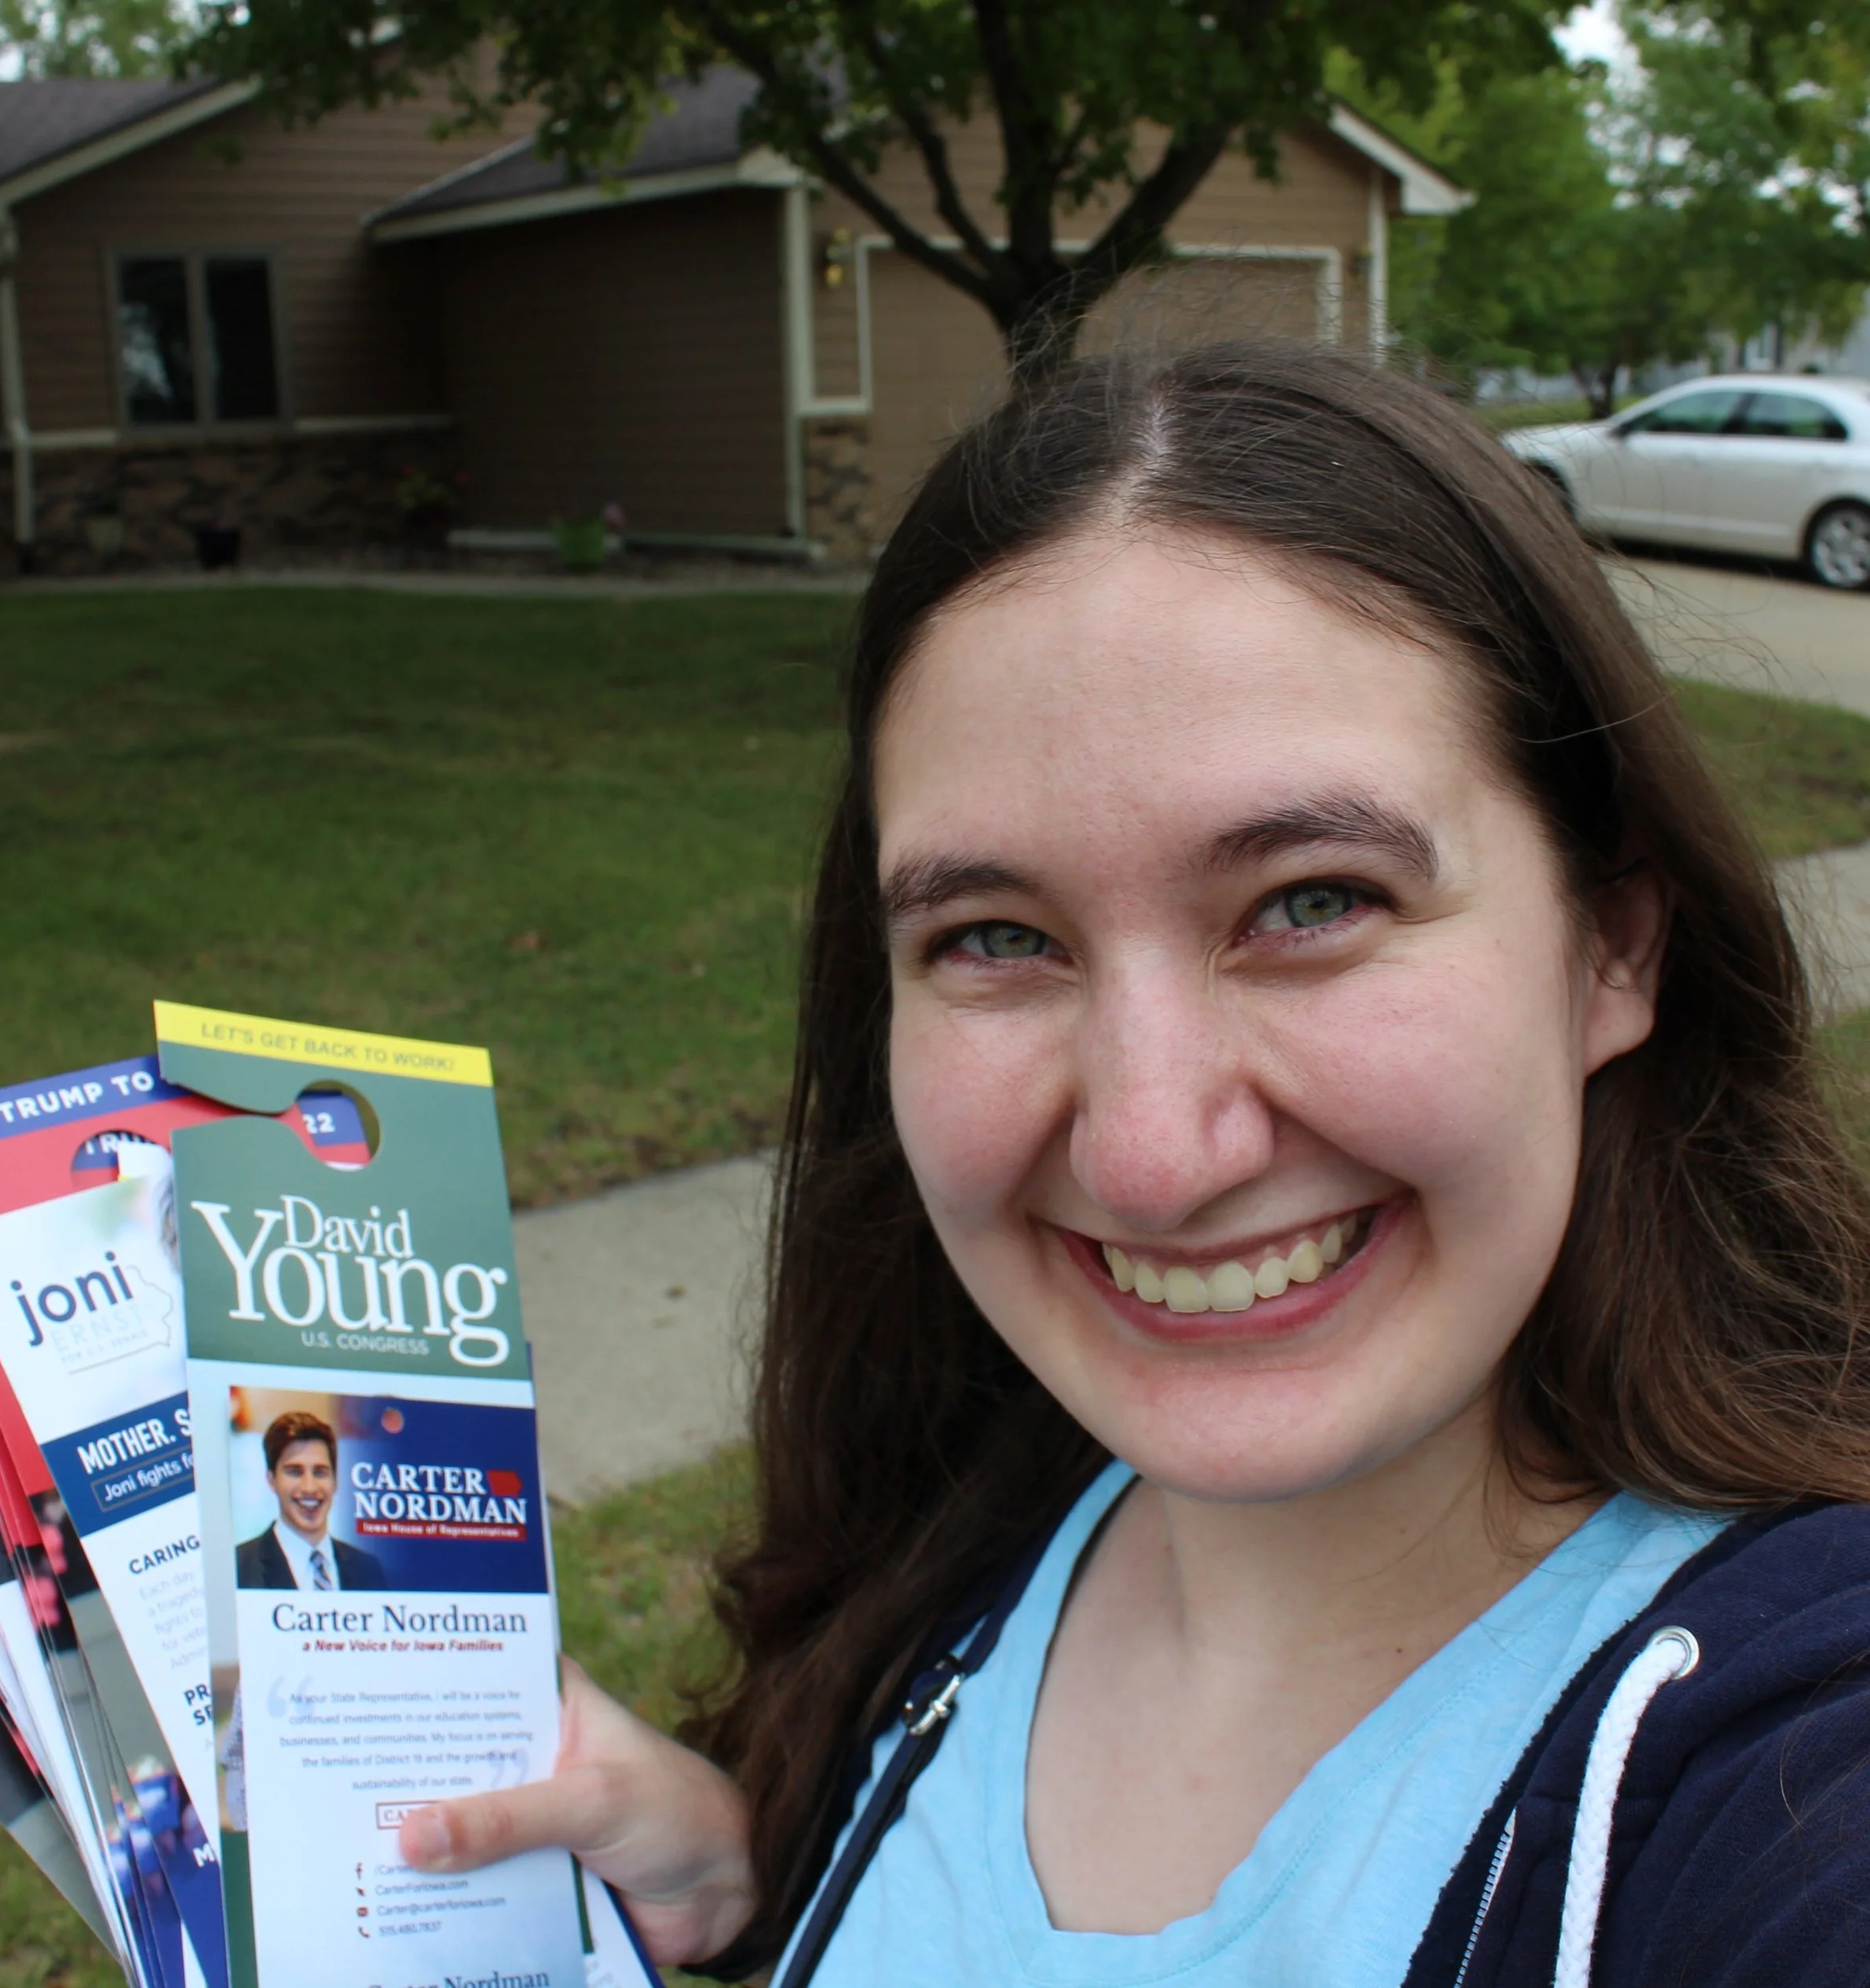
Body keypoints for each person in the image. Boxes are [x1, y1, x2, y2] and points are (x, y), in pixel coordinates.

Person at [400, 344, 1870, 1986]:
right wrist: (763, 1893)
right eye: (997, 936)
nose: (1150, 1152)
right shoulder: (969, 1530)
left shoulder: (1791, 1778)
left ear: (1610, 942)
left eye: (1313, 901)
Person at [235, 1409, 387, 1591]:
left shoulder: (367, 1569)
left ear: (335, 1480)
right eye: (295, 1472)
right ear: (271, 1480)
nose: (309, 1488)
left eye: (320, 1472)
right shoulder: (238, 1567)